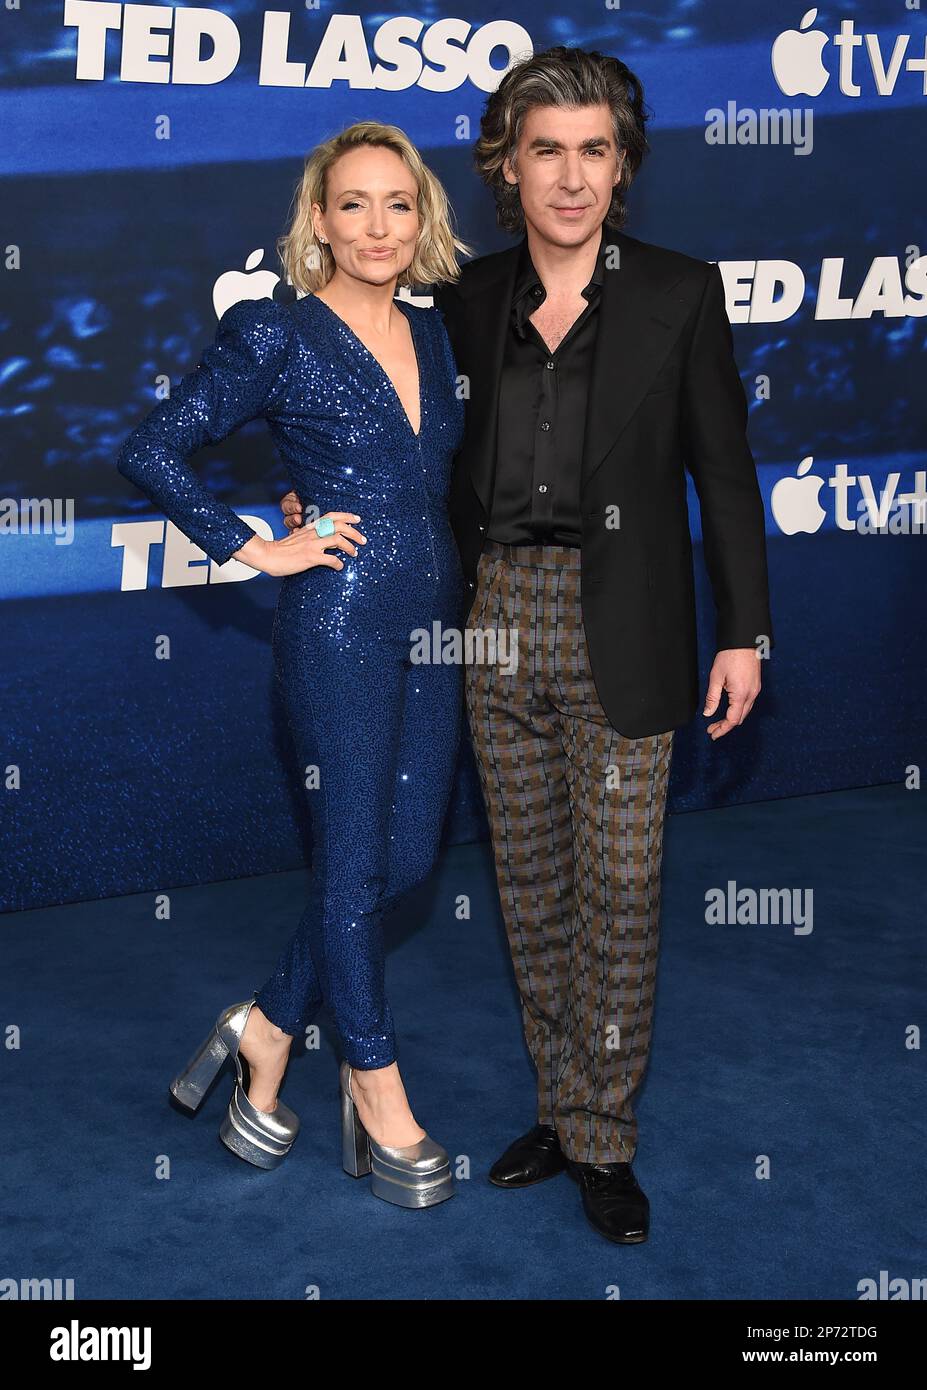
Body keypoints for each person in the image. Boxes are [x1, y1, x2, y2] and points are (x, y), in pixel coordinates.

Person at [281, 48, 774, 1244]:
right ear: (509, 165)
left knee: (619, 889)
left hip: (629, 620)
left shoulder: (680, 290)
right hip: (486, 618)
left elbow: (725, 472)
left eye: (593, 149)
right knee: (532, 890)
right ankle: (559, 1112)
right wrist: (306, 504)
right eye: (544, 149)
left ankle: (604, 1136)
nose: (570, 175)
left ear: (623, 164)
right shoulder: (463, 300)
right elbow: (381, 429)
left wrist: (745, 632)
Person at [116, 121, 472, 1209]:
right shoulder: (276, 333)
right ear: (318, 220)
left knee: (406, 863)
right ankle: (373, 1076)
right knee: (356, 863)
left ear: (423, 220)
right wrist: (258, 544)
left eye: (397, 203)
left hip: (434, 623)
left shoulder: (437, 330)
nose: (376, 225)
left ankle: (266, 1027)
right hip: (338, 626)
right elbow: (149, 447)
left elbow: (422, 475)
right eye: (353, 203)